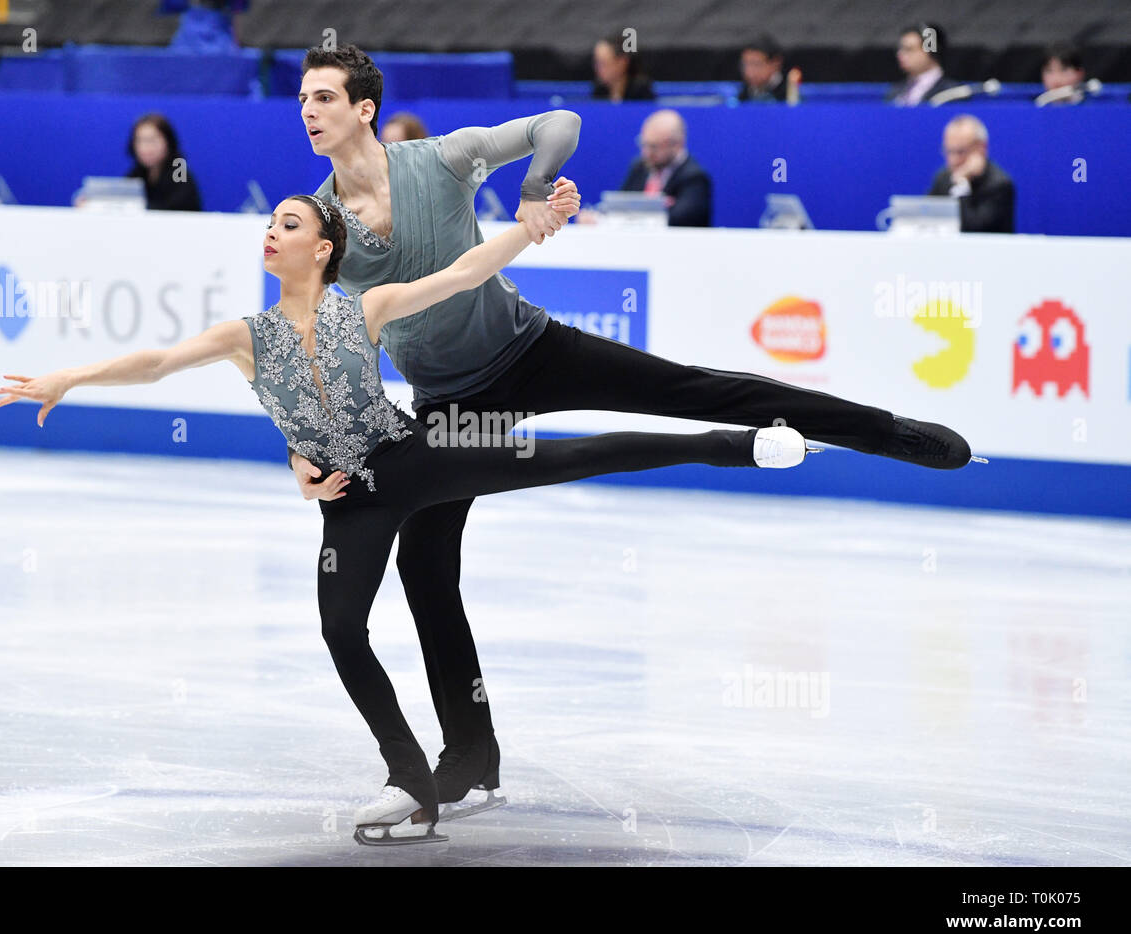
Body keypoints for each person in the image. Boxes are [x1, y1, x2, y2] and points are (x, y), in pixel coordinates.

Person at [0, 194, 813, 841]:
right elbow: (157, 362)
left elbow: (462, 272)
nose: (270, 234)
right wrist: (68, 376)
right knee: (342, 631)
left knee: (566, 456)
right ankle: (410, 780)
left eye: (289, 223)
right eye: (268, 224)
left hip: (418, 454)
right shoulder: (245, 335)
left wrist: (533, 227)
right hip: (351, 501)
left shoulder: (365, 306)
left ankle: (734, 444)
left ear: (323, 249)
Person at [295, 43, 976, 823]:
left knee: (692, 389)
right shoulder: (322, 223)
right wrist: (317, 449)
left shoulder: (442, 160)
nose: (309, 112)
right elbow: (329, 345)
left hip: (533, 350)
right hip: (450, 404)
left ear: (364, 108)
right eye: (304, 101)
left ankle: (881, 431)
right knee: (424, 566)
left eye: (323, 97)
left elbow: (560, 120)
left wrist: (532, 189)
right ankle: (471, 756)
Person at [620, 109, 712, 227]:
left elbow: (681, 219)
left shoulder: (695, 177)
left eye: (654, 147)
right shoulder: (639, 167)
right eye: (644, 144)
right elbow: (620, 206)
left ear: (678, 144)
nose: (647, 153)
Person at [927, 114, 1015, 233]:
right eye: (949, 151)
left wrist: (962, 184)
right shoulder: (943, 178)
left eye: (960, 152)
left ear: (981, 148)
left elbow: (972, 229)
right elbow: (927, 219)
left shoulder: (999, 184)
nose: (953, 160)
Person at [126, 113, 203, 212]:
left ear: (168, 142)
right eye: (139, 140)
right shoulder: (136, 174)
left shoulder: (180, 174)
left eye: (152, 140)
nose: (145, 147)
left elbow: (176, 209)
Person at [886, 21, 958, 105]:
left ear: (931, 51)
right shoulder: (895, 91)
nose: (900, 54)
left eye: (909, 49)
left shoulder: (951, 93)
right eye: (901, 49)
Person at [591, 29, 654, 101]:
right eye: (596, 63)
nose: (597, 69)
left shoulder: (641, 92)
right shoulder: (599, 91)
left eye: (604, 64)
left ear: (622, 62)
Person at [738, 35, 788, 103]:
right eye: (745, 65)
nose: (749, 72)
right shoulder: (741, 94)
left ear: (776, 63)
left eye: (756, 64)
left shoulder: (790, 92)